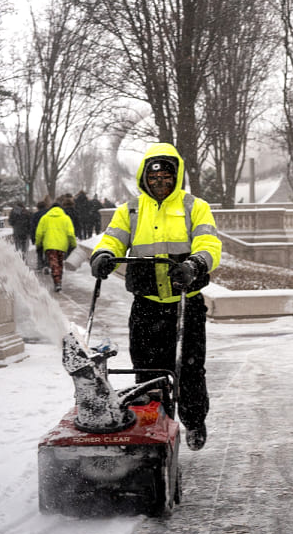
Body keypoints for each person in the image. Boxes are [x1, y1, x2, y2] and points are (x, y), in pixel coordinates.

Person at [89, 144, 222, 451]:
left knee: (189, 367)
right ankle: (152, 421)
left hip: (186, 303)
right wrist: (105, 254)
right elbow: (113, 238)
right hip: (146, 303)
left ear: (176, 177)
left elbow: (209, 244)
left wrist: (194, 264)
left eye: (166, 176)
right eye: (154, 176)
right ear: (144, 177)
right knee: (146, 367)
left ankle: (194, 420)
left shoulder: (194, 207)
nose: (160, 182)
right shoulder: (131, 210)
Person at [33, 199, 77, 292]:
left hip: (49, 245)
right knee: (60, 264)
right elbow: (70, 233)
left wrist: (38, 244)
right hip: (62, 246)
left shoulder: (45, 218)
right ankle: (58, 281)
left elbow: (39, 233)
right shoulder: (66, 218)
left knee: (54, 264)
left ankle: (57, 282)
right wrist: (73, 244)